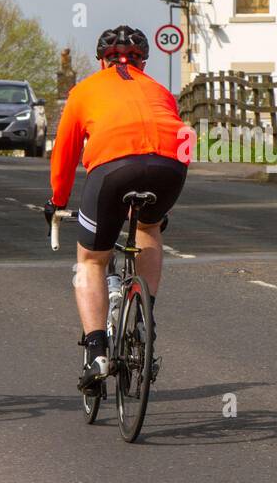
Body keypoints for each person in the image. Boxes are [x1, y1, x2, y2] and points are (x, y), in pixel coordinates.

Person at [44, 26, 189, 391]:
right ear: (143, 61)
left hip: (113, 169)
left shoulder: (84, 91)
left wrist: (57, 201)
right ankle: (143, 314)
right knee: (149, 227)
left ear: (100, 61)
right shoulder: (159, 90)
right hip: (170, 166)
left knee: (91, 260)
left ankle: (96, 351)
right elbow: (181, 135)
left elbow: (65, 153)